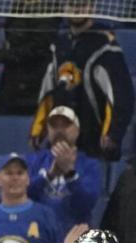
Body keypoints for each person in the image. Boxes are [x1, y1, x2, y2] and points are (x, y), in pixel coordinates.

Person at [30, 6, 133, 160]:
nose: (76, 9)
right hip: (60, 143)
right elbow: (48, 91)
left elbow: (121, 95)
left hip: (94, 146)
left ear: (92, 7)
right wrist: (38, 129)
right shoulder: (59, 44)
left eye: (82, 4)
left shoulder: (106, 45)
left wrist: (112, 134)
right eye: (72, 3)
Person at [25, 105, 102, 231]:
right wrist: (48, 175)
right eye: (54, 126)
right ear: (48, 130)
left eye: (65, 125)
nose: (59, 130)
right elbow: (22, 196)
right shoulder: (33, 160)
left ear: (77, 130)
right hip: (39, 233)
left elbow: (86, 204)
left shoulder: (90, 165)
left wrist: (70, 174)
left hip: (74, 234)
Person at [0, 2, 58, 115]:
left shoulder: (48, 9)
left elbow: (39, 46)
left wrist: (6, 55)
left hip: (34, 85)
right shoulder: (17, 7)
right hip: (11, 83)